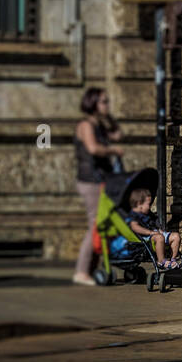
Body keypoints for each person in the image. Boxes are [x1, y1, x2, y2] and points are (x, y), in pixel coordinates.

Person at [73, 87, 124, 285]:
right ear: (93, 103)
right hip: (90, 180)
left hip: (100, 179)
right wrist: (113, 150)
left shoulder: (99, 125)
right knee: (95, 224)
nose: (107, 104)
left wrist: (109, 116)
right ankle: (81, 271)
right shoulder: (86, 125)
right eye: (103, 101)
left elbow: (118, 135)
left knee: (100, 225)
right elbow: (93, 148)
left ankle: (91, 270)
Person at [119, 188, 181, 269]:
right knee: (159, 238)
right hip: (145, 238)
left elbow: (155, 224)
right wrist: (150, 232)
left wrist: (159, 230)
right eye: (148, 204)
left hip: (156, 234)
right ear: (139, 204)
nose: (149, 207)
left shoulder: (148, 214)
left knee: (176, 236)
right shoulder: (133, 215)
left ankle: (173, 259)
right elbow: (135, 227)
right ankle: (161, 261)